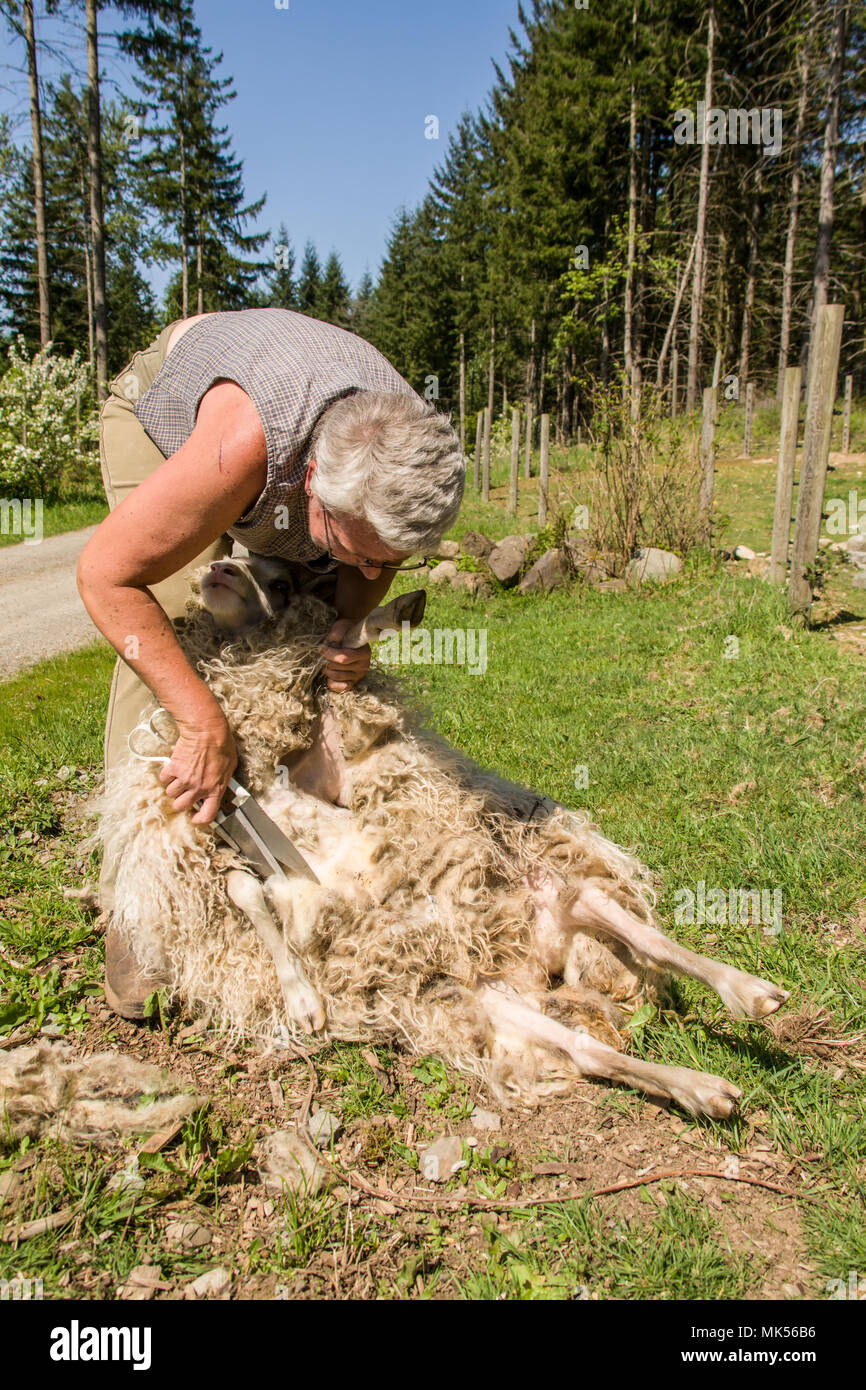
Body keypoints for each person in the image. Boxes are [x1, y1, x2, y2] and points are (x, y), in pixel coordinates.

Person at [78, 307, 464, 1018]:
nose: (379, 570)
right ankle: (134, 899)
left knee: (305, 610)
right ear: (315, 480)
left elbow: (364, 567)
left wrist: (349, 626)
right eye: (366, 550)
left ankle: (284, 819)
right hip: (168, 413)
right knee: (171, 623)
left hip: (292, 461)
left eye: (392, 559)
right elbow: (107, 578)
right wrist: (199, 719)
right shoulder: (242, 444)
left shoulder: (403, 449)